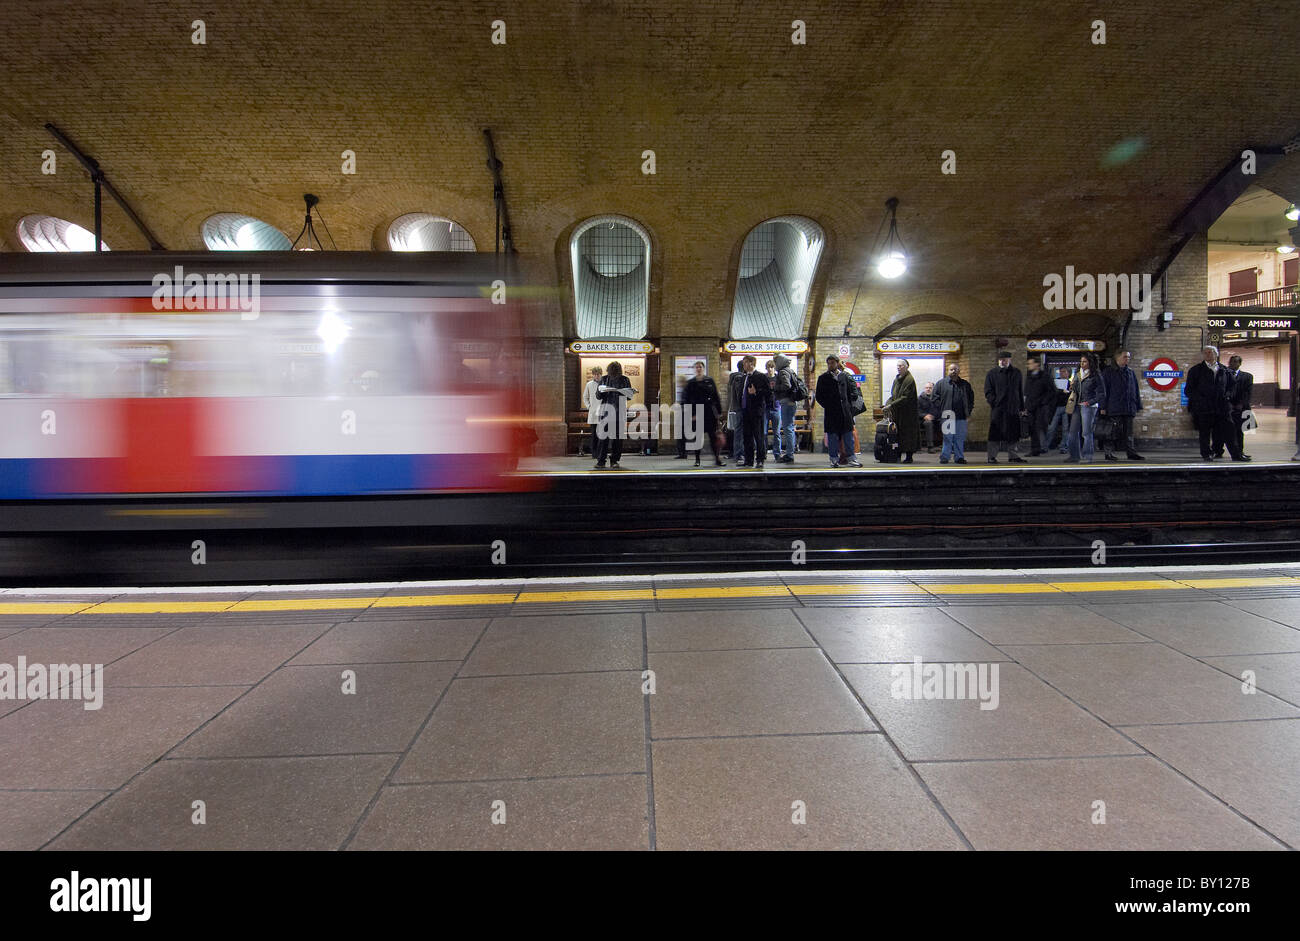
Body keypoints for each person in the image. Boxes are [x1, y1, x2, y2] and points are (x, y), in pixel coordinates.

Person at [1185, 345, 1238, 461]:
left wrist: (1228, 396)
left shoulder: (1225, 370)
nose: (1208, 355)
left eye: (1210, 352)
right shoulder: (1196, 370)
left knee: (1228, 430)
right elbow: (1189, 390)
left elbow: (1232, 386)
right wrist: (1200, 400)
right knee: (1204, 432)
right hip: (1204, 408)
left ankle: (1235, 453)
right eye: (1206, 353)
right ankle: (1206, 453)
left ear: (1216, 354)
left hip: (1222, 407)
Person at [816, 355, 861, 467]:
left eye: (832, 363)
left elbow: (851, 392)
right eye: (829, 363)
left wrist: (849, 406)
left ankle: (851, 458)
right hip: (832, 412)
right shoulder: (823, 378)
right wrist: (828, 405)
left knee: (848, 435)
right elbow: (819, 396)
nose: (830, 365)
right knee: (833, 436)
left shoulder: (844, 376)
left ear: (837, 363)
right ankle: (833, 459)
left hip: (845, 411)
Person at [1100, 351, 1145, 461]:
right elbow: (1103, 391)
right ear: (1117, 358)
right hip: (1114, 407)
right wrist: (1103, 407)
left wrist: (1138, 404)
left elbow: (1135, 389)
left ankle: (1131, 452)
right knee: (1111, 431)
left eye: (1128, 357)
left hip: (1128, 407)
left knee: (1129, 432)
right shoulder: (1108, 372)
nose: (1127, 359)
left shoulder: (1130, 372)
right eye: (1125, 357)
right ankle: (1108, 453)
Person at [984, 350, 1027, 463]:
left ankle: (1013, 455)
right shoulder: (992, 373)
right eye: (1001, 360)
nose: (1003, 361)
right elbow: (988, 391)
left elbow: (1019, 391)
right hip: (998, 409)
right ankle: (991, 456)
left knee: (1014, 432)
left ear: (1009, 360)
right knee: (995, 433)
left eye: (1005, 359)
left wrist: (1022, 408)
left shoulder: (1017, 372)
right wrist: (994, 402)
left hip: (1013, 408)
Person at [1064, 352, 1105, 463]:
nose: (1082, 364)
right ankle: (1074, 455)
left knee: (1086, 432)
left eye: (1085, 362)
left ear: (1090, 363)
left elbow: (1102, 394)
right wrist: (1072, 386)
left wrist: (1089, 402)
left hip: (1089, 406)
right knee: (1072, 431)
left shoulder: (1096, 375)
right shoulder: (1078, 374)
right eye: (1081, 362)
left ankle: (1087, 456)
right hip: (1077, 405)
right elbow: (1075, 390)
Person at [593, 361, 634, 470]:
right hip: (612, 411)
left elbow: (629, 396)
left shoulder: (622, 379)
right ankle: (611, 461)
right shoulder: (610, 379)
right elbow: (598, 396)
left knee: (607, 438)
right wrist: (601, 391)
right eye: (613, 370)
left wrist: (625, 392)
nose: (614, 372)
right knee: (613, 438)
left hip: (613, 412)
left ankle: (603, 461)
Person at [932, 361, 974, 464]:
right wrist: (941, 409)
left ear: (959, 371)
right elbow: (934, 398)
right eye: (951, 369)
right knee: (947, 438)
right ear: (948, 371)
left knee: (959, 438)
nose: (953, 371)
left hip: (961, 415)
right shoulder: (941, 383)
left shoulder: (965, 384)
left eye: (955, 369)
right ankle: (945, 457)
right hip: (947, 415)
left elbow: (971, 399)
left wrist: (968, 411)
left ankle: (959, 457)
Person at [683, 360, 724, 466]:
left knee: (713, 437)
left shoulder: (709, 381)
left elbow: (716, 397)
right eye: (697, 367)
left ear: (703, 368)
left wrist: (719, 412)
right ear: (694, 369)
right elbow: (686, 400)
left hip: (709, 412)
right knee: (698, 437)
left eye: (700, 367)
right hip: (697, 412)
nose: (698, 369)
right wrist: (690, 414)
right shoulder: (691, 383)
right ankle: (697, 460)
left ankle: (717, 458)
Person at [735, 355, 773, 468]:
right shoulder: (743, 377)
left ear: (752, 363)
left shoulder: (760, 377)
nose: (744, 365)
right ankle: (748, 460)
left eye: (746, 362)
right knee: (747, 436)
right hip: (745, 411)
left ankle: (760, 459)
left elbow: (768, 394)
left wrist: (756, 392)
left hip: (756, 412)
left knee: (758, 436)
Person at [882, 358, 920, 463]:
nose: (898, 368)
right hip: (898, 413)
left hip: (908, 414)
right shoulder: (897, 379)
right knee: (897, 434)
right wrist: (888, 403)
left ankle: (909, 456)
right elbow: (893, 395)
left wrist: (891, 405)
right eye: (897, 366)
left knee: (908, 435)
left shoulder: (909, 380)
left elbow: (905, 397)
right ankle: (897, 454)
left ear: (906, 367)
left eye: (901, 366)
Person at [1023, 356, 1056, 457]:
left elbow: (1051, 391)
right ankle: (1035, 449)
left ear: (1037, 364)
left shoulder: (1045, 376)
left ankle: (1042, 447)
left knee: (1040, 427)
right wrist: (1025, 406)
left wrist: (1043, 401)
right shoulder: (1029, 377)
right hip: (1031, 407)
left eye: (1030, 363)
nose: (1028, 366)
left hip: (1041, 407)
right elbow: (1026, 392)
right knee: (1032, 428)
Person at [1227, 354, 1254, 462]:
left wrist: (1241, 404)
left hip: (1241, 408)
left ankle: (1240, 452)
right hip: (1228, 408)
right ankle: (1230, 451)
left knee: (1240, 431)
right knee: (1228, 431)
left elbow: (1248, 392)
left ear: (1240, 364)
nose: (1233, 364)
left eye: (1235, 362)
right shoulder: (1225, 374)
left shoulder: (1247, 376)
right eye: (1231, 362)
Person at [772, 353, 798, 463]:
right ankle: (790, 452)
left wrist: (775, 387)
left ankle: (789, 454)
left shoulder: (783, 372)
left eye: (776, 361)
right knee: (789, 428)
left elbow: (787, 386)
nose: (775, 363)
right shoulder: (790, 370)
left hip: (786, 402)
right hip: (791, 402)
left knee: (787, 428)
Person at [1046, 367, 1072, 453]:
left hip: (1066, 407)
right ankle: (1046, 445)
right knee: (1051, 428)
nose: (1061, 373)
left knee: (1065, 428)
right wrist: (1062, 391)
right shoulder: (1055, 382)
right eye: (1060, 372)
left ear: (1068, 373)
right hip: (1056, 407)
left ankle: (1064, 447)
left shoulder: (1070, 383)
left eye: (1064, 371)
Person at [764, 360, 784, 461]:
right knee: (764, 433)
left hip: (776, 407)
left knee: (777, 433)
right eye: (768, 367)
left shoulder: (778, 378)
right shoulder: (764, 378)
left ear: (774, 368)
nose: (770, 369)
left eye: (771, 367)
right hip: (765, 408)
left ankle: (777, 454)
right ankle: (763, 453)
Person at [726, 363, 746, 464]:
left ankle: (737, 453)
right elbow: (739, 394)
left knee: (737, 431)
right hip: (740, 408)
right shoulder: (739, 378)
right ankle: (739, 454)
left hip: (734, 408)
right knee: (740, 432)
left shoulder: (732, 378)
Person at [580, 366, 603, 456]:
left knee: (602, 435)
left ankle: (601, 453)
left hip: (603, 412)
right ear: (593, 375)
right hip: (593, 412)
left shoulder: (604, 384)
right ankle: (594, 453)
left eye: (599, 374)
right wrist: (589, 406)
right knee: (594, 434)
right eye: (595, 374)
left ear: (601, 374)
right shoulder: (589, 384)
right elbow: (585, 397)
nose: (597, 376)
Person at [917, 381, 938, 453]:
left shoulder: (937, 399)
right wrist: (925, 415)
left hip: (936, 418)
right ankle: (930, 446)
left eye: (930, 388)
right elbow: (917, 411)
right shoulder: (920, 399)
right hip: (923, 420)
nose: (928, 389)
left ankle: (947, 446)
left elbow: (939, 409)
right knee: (928, 423)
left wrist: (934, 416)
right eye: (927, 388)